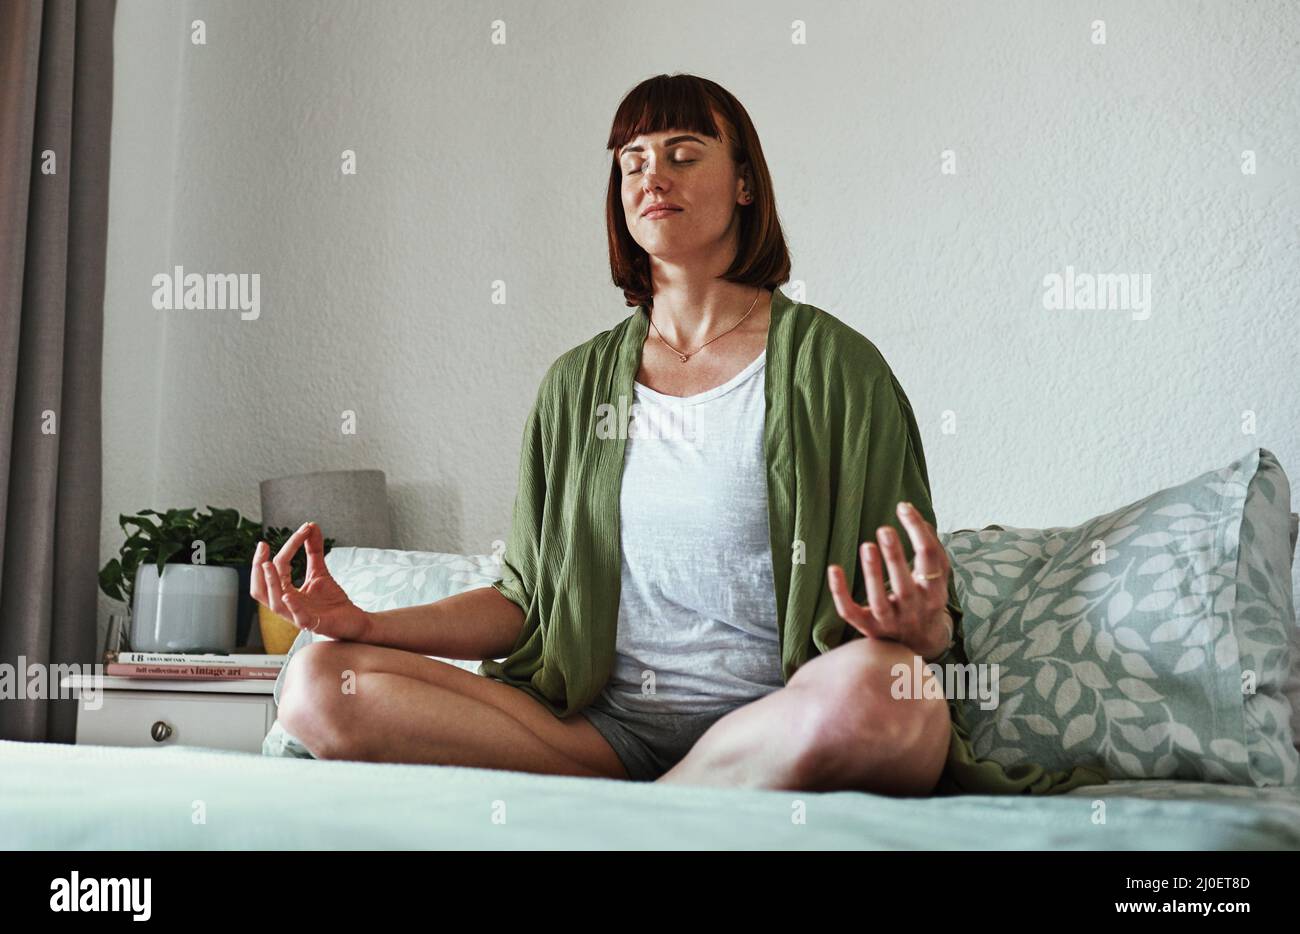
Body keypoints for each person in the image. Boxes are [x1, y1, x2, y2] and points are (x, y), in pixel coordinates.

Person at [255, 74, 1104, 796]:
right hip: (596, 735)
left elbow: (919, 614)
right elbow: (522, 602)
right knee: (320, 683)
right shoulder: (574, 385)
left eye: (683, 152)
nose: (651, 174)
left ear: (743, 183)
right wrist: (364, 624)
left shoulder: (839, 369)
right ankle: (684, 802)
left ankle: (667, 802)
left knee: (902, 697)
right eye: (632, 161)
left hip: (783, 721)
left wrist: (921, 630)